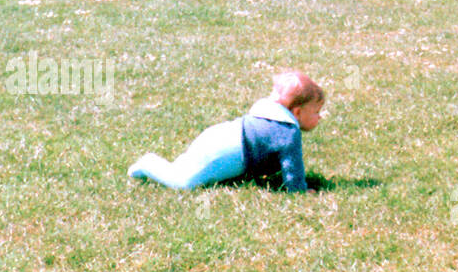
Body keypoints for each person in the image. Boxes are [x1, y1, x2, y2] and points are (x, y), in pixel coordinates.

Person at [128, 70, 324, 192]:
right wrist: (299, 190)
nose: (319, 117)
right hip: (226, 151)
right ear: (297, 112)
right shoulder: (288, 132)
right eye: (316, 112)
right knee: (184, 182)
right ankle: (148, 164)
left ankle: (171, 166)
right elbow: (292, 168)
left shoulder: (269, 115)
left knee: (189, 165)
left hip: (220, 136)